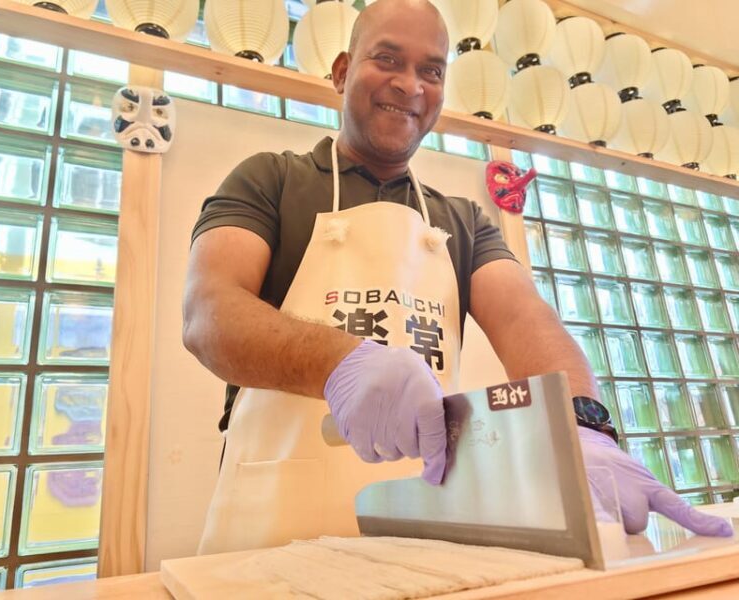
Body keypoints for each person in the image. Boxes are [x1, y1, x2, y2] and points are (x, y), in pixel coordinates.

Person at [183, 0, 731, 555]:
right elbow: (209, 314)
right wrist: (338, 363)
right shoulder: (269, 180)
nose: (410, 85)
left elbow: (526, 319)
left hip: (420, 543)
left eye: (432, 70)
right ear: (343, 70)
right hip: (267, 539)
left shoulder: (463, 222)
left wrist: (581, 424)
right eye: (388, 59)